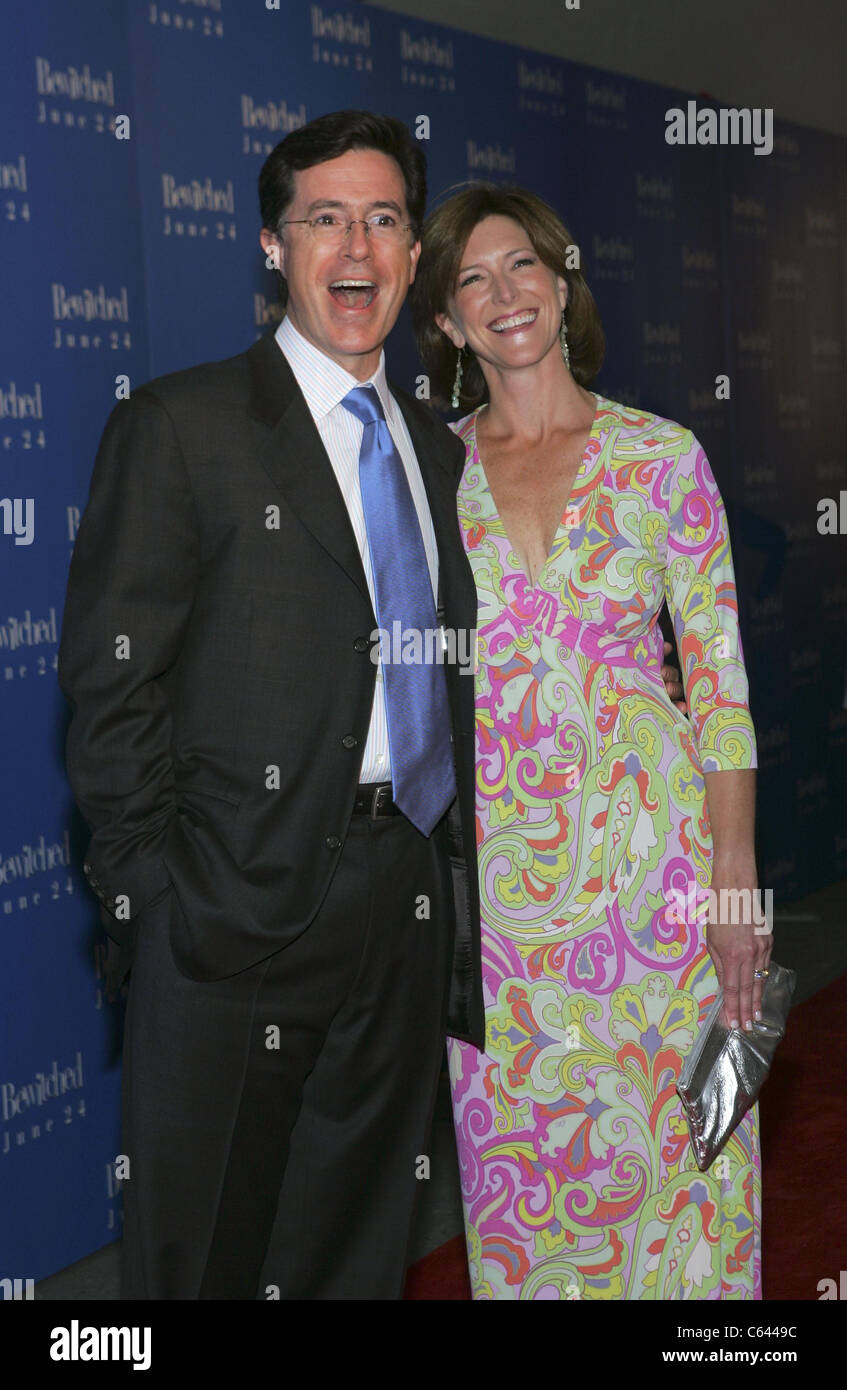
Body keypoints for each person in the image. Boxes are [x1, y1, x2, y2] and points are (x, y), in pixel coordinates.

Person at [56, 109, 487, 1301]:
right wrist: (155, 896)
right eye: (324, 219)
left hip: (403, 902)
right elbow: (109, 679)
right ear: (271, 245)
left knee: (352, 1250)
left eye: (386, 218)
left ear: (413, 253)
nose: (357, 246)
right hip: (230, 911)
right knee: (201, 1260)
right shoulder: (181, 426)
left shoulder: (444, 457)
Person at [411, 184, 769, 1300]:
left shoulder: (662, 457)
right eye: (471, 279)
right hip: (501, 917)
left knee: (684, 1179)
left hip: (653, 894)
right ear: (445, 322)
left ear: (562, 284)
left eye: (520, 265)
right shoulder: (425, 477)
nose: (502, 293)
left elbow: (718, 688)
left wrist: (733, 881)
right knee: (525, 1198)